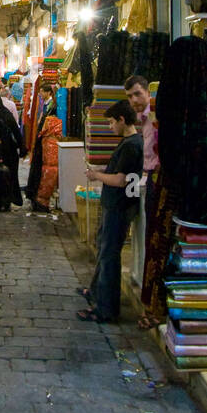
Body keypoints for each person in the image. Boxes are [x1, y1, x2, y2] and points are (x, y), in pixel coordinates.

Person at [78, 100, 143, 323]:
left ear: (122, 120)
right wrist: (101, 170)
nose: (109, 127)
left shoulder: (132, 145)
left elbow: (120, 179)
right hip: (115, 206)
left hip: (119, 207)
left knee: (109, 255)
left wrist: (97, 176)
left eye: (111, 122)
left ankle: (106, 309)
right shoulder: (129, 142)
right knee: (104, 249)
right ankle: (96, 293)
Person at [124, 74, 165, 329]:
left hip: (160, 179)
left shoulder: (157, 115)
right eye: (129, 97)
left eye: (137, 94)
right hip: (150, 177)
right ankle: (152, 302)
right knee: (150, 238)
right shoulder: (143, 118)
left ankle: (157, 305)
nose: (134, 100)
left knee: (157, 241)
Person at [0, 92, 24, 211]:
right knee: (9, 177)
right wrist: (22, 149)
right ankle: (7, 201)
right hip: (10, 152)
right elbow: (17, 133)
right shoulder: (7, 114)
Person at [28, 105, 63, 214]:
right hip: (52, 162)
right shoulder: (59, 127)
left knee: (45, 174)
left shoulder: (46, 128)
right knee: (50, 174)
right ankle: (42, 202)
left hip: (44, 161)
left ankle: (39, 201)